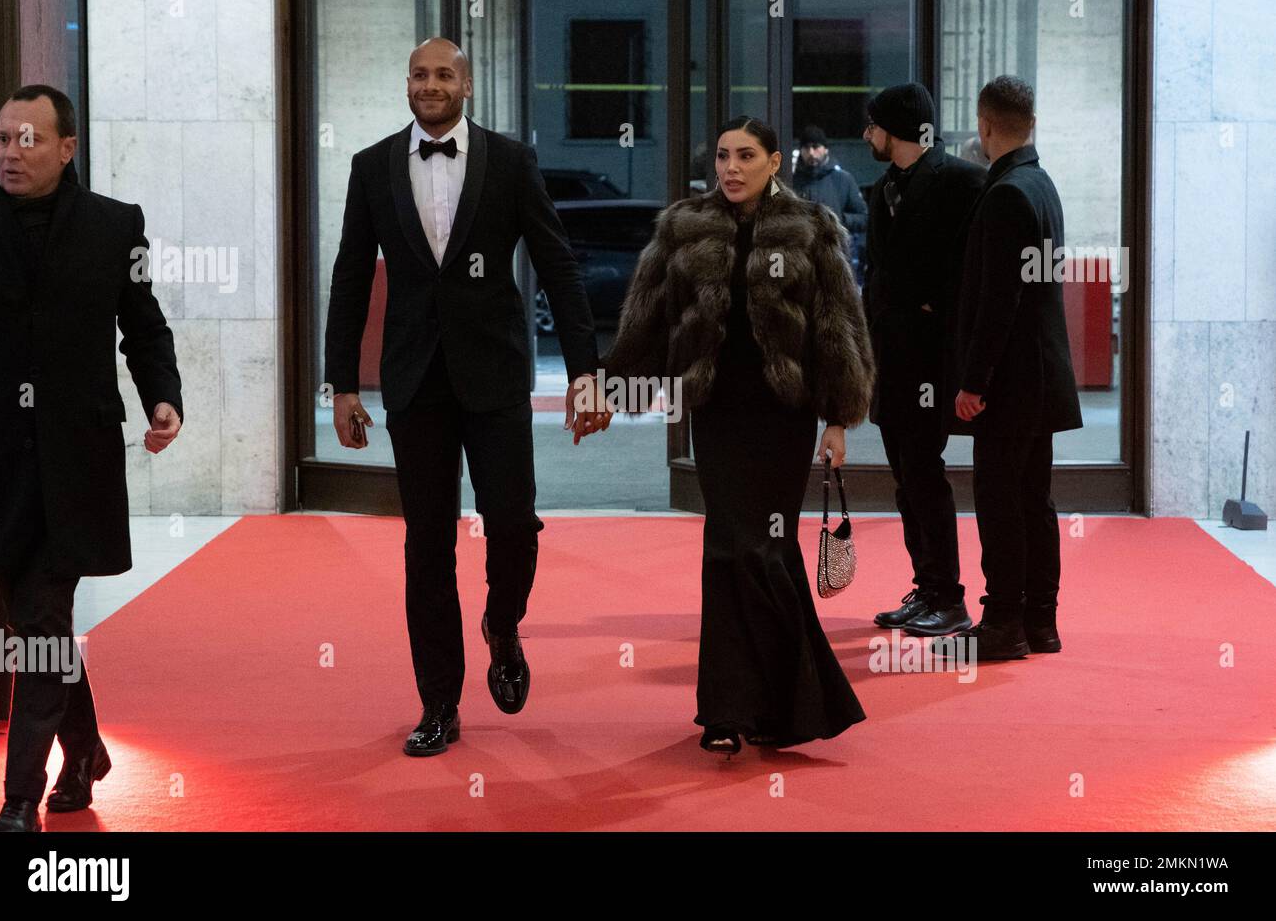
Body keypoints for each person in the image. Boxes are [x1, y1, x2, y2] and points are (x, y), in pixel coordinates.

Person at [323, 38, 609, 757]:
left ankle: (503, 621)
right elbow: (351, 278)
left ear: (467, 85)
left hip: (496, 376)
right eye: (418, 74)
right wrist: (343, 385)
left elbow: (558, 264)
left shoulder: (510, 163)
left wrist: (585, 370)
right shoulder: (371, 166)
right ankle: (439, 703)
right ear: (407, 82)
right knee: (427, 546)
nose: (429, 85)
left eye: (443, 74)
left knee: (513, 525)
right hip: (415, 384)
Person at [602, 115, 874, 754]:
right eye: (722, 155)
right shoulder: (682, 228)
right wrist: (610, 387)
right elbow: (645, 320)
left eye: (746, 155)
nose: (730, 167)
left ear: (775, 162)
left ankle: (786, 702)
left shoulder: (811, 230)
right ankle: (727, 711)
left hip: (783, 418)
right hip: (718, 417)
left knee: (767, 548)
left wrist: (838, 418)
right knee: (727, 547)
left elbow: (839, 328)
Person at [0, 85, 183, 831]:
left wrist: (164, 396)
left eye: (27, 139)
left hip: (76, 458)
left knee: (38, 616)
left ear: (67, 148)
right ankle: (87, 746)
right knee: (40, 622)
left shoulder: (114, 227)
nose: (11, 153)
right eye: (2, 139)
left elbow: (144, 324)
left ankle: (19, 800)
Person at [950, 75, 1082, 660]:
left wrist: (974, 382)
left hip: (1009, 382)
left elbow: (998, 302)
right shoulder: (1042, 184)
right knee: (1035, 500)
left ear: (984, 126)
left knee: (1001, 501)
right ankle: (1040, 622)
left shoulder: (1005, 193)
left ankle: (1002, 622)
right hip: (1043, 375)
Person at [860, 83, 986, 637]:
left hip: (932, 362)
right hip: (892, 358)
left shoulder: (961, 180)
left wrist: (942, 304)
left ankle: (949, 598)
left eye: (872, 125)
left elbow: (979, 266)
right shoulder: (886, 186)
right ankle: (929, 587)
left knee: (924, 476)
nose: (866, 135)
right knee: (907, 478)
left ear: (894, 128)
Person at [792, 124, 868, 252]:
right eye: (806, 147)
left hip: (834, 256)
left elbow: (864, 218)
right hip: (801, 258)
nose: (811, 152)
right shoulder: (791, 180)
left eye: (815, 147)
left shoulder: (843, 180)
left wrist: (840, 220)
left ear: (825, 149)